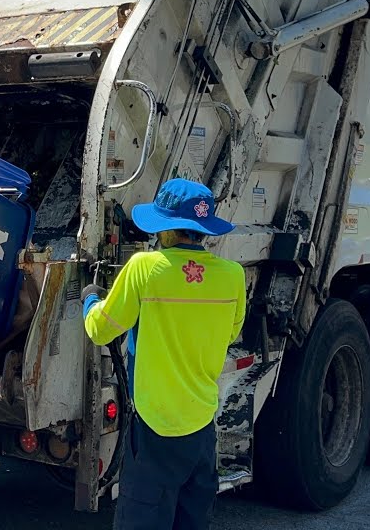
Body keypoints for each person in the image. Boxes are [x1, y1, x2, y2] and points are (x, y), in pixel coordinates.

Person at [83, 177, 247, 530]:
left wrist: (89, 299)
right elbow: (230, 332)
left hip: (154, 429)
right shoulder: (233, 276)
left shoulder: (145, 268)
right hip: (202, 428)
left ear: (168, 230)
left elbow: (100, 329)